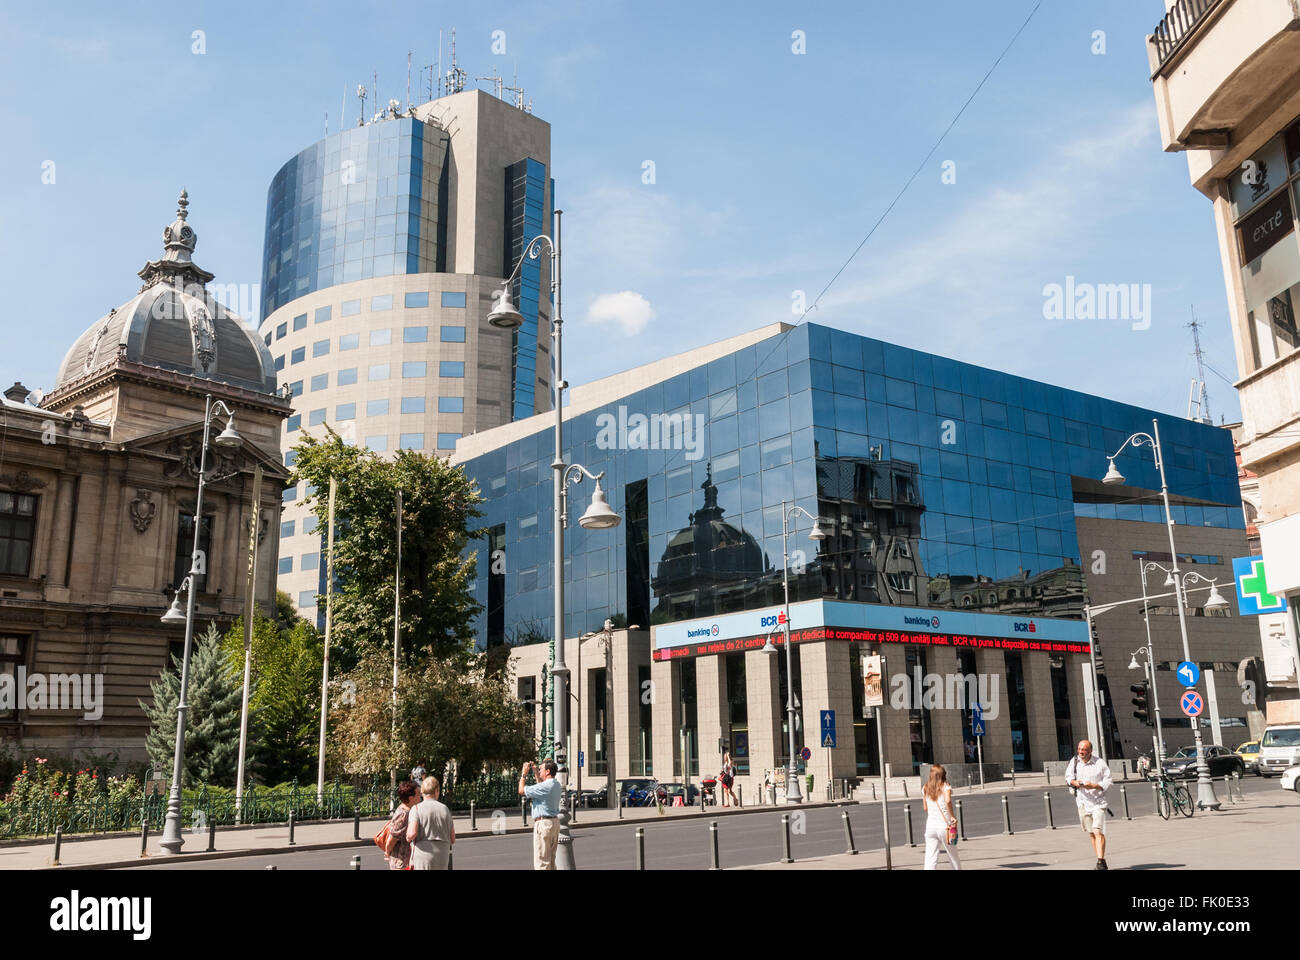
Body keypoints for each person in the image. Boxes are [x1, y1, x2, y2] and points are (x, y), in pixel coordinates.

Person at [1065, 739, 1113, 870]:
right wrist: (1075, 783)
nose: (1081, 752)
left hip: (1098, 803)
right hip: (1082, 803)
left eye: (1084, 749)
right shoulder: (1074, 762)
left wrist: (1095, 786)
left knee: (1098, 831)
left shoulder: (1100, 763)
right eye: (1079, 749)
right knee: (1091, 833)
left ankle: (1101, 862)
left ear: (1090, 751)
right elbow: (1068, 777)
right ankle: (1100, 858)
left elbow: (1109, 781)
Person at [518, 758, 562, 869]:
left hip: (543, 824)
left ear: (547, 771)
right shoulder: (556, 784)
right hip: (554, 823)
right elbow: (540, 786)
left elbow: (521, 790)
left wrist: (524, 774)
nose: (539, 770)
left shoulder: (545, 786)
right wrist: (536, 772)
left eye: (541, 769)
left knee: (542, 862)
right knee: (551, 861)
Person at [406, 775, 455, 870]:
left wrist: (408, 837)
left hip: (423, 855)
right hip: (442, 856)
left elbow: (412, 834)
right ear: (436, 791)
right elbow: (452, 839)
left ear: (422, 792)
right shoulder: (445, 809)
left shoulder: (416, 809)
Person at [920, 763, 960, 870]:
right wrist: (952, 816)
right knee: (953, 855)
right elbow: (947, 800)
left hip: (930, 827)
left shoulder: (925, 788)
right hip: (945, 827)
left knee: (930, 857)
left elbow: (925, 808)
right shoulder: (945, 786)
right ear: (942, 775)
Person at [384, 780, 420, 870]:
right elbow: (392, 839)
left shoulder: (408, 809)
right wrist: (387, 851)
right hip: (400, 862)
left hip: (406, 860)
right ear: (411, 798)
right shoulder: (403, 815)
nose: (420, 797)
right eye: (418, 794)